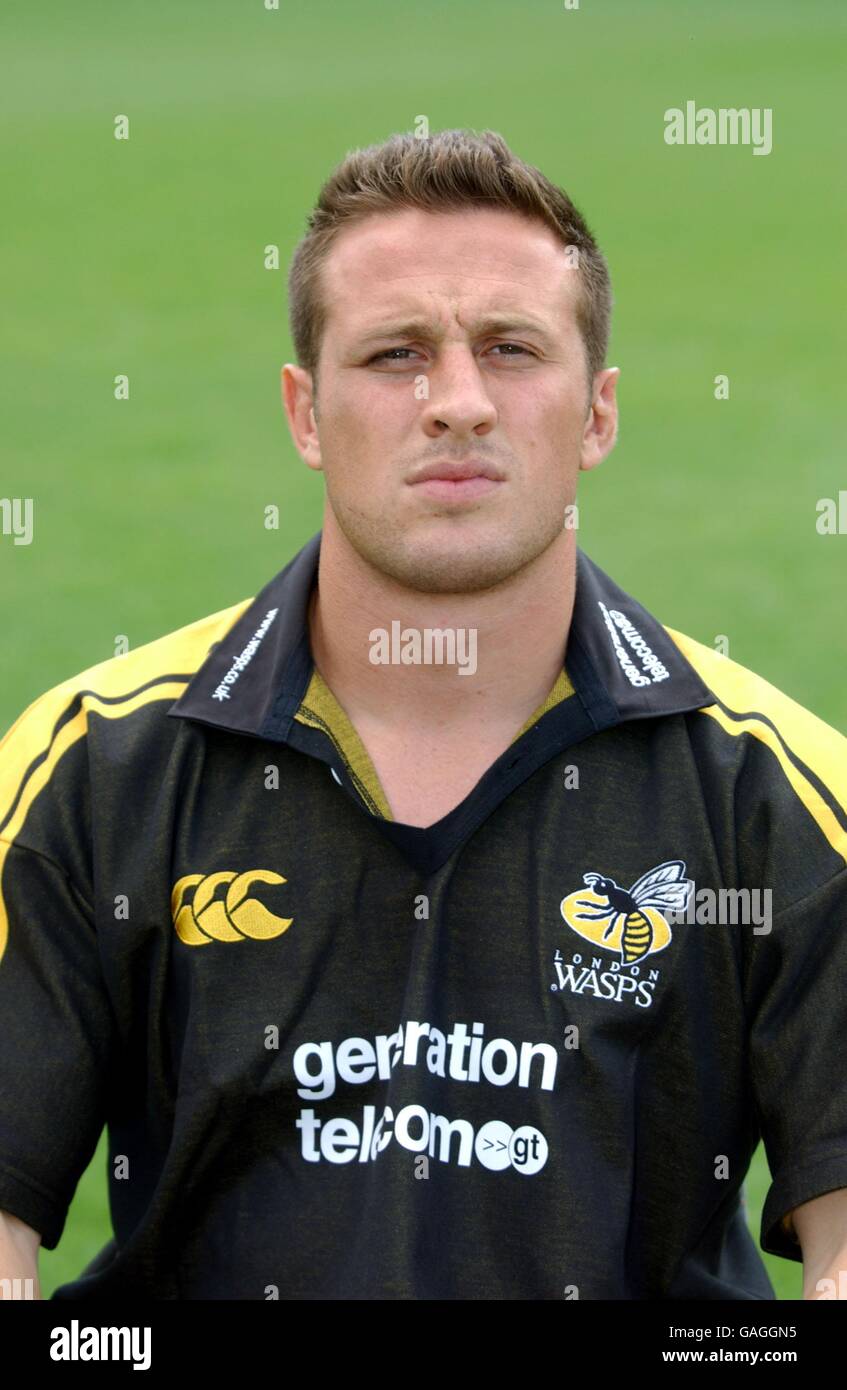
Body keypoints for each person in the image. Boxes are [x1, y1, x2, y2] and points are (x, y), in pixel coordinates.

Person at [1, 129, 845, 1301]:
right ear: (303, 413)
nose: (456, 403)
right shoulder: (90, 763)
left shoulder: (781, 791)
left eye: (510, 349)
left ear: (597, 414)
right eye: (395, 354)